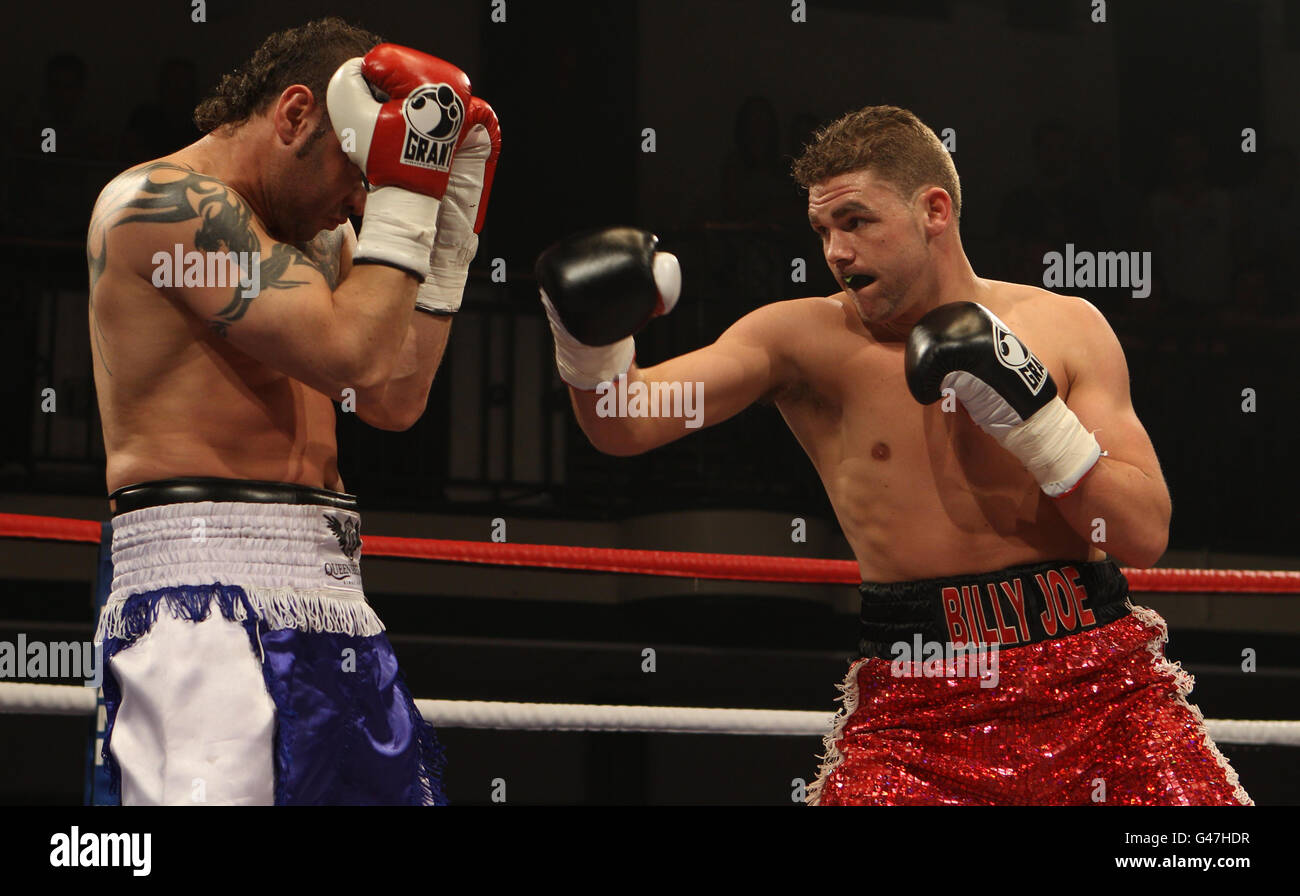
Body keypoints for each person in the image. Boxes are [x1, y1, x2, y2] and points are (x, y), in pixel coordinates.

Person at [535, 105, 1248, 806]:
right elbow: (625, 423)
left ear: (934, 210)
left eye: (856, 222)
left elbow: (1142, 535)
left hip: (1103, 691)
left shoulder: (1065, 327)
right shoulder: (800, 341)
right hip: (917, 714)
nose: (837, 252)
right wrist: (587, 344)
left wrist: (1034, 418)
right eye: (822, 230)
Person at [86, 18, 500, 805]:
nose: (359, 199)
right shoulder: (161, 206)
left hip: (330, 595)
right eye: (357, 170)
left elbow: (391, 394)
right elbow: (351, 351)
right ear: (296, 114)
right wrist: (411, 198)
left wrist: (445, 240)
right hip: (202, 606)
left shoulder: (317, 236)